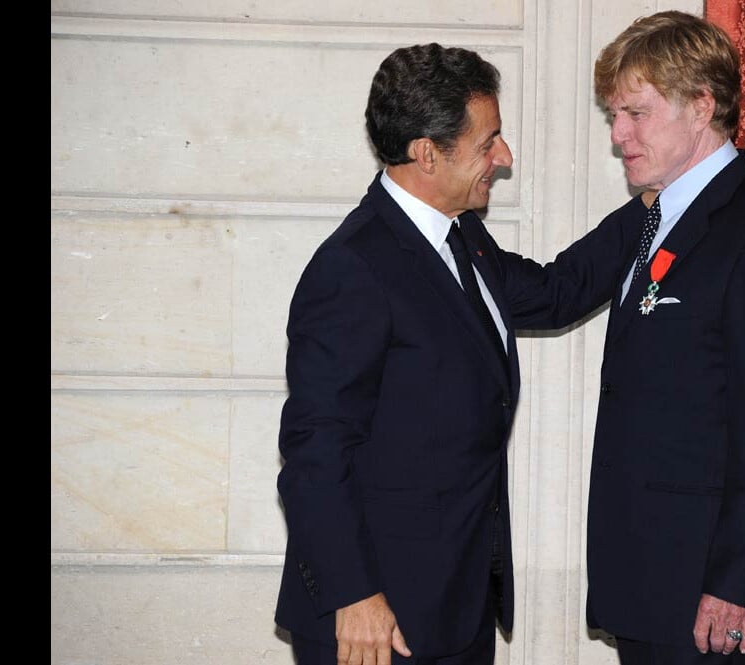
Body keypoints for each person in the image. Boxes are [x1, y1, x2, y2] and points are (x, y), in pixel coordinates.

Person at [274, 43, 640, 665]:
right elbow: (315, 451)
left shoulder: (462, 237)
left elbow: (554, 293)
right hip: (378, 622)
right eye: (487, 142)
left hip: (457, 604)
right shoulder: (354, 268)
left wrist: (662, 203)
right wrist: (355, 595)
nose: (504, 158)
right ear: (426, 153)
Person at [583, 11, 745, 665]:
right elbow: (551, 289)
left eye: (635, 112)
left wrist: (736, 583)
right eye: (614, 115)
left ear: (702, 105)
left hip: (710, 602)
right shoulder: (655, 215)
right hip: (650, 587)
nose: (618, 134)